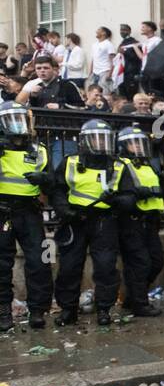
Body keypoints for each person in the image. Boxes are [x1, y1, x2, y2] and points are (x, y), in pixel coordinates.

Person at [52, 120, 136, 327]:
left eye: (104, 139)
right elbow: (57, 190)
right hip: (75, 220)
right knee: (69, 267)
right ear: (85, 141)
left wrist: (115, 200)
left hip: (104, 221)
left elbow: (130, 197)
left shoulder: (119, 165)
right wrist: (65, 211)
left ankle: (104, 309)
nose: (100, 144)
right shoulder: (70, 162)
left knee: (106, 267)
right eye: (96, 139)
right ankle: (68, 310)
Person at [0, 100, 54, 330]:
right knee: (1, 265)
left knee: (39, 262)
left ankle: (37, 311)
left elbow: (54, 184)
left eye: (21, 119)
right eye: (11, 120)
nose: (17, 125)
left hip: (30, 211)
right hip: (2, 211)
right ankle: (3, 313)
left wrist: (46, 180)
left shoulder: (39, 150)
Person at [116, 125, 164, 316]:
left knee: (156, 261)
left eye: (140, 142)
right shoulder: (120, 165)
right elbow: (117, 193)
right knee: (139, 263)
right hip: (131, 221)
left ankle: (133, 297)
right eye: (132, 143)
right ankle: (139, 303)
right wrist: (136, 194)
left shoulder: (148, 165)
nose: (138, 146)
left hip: (150, 220)